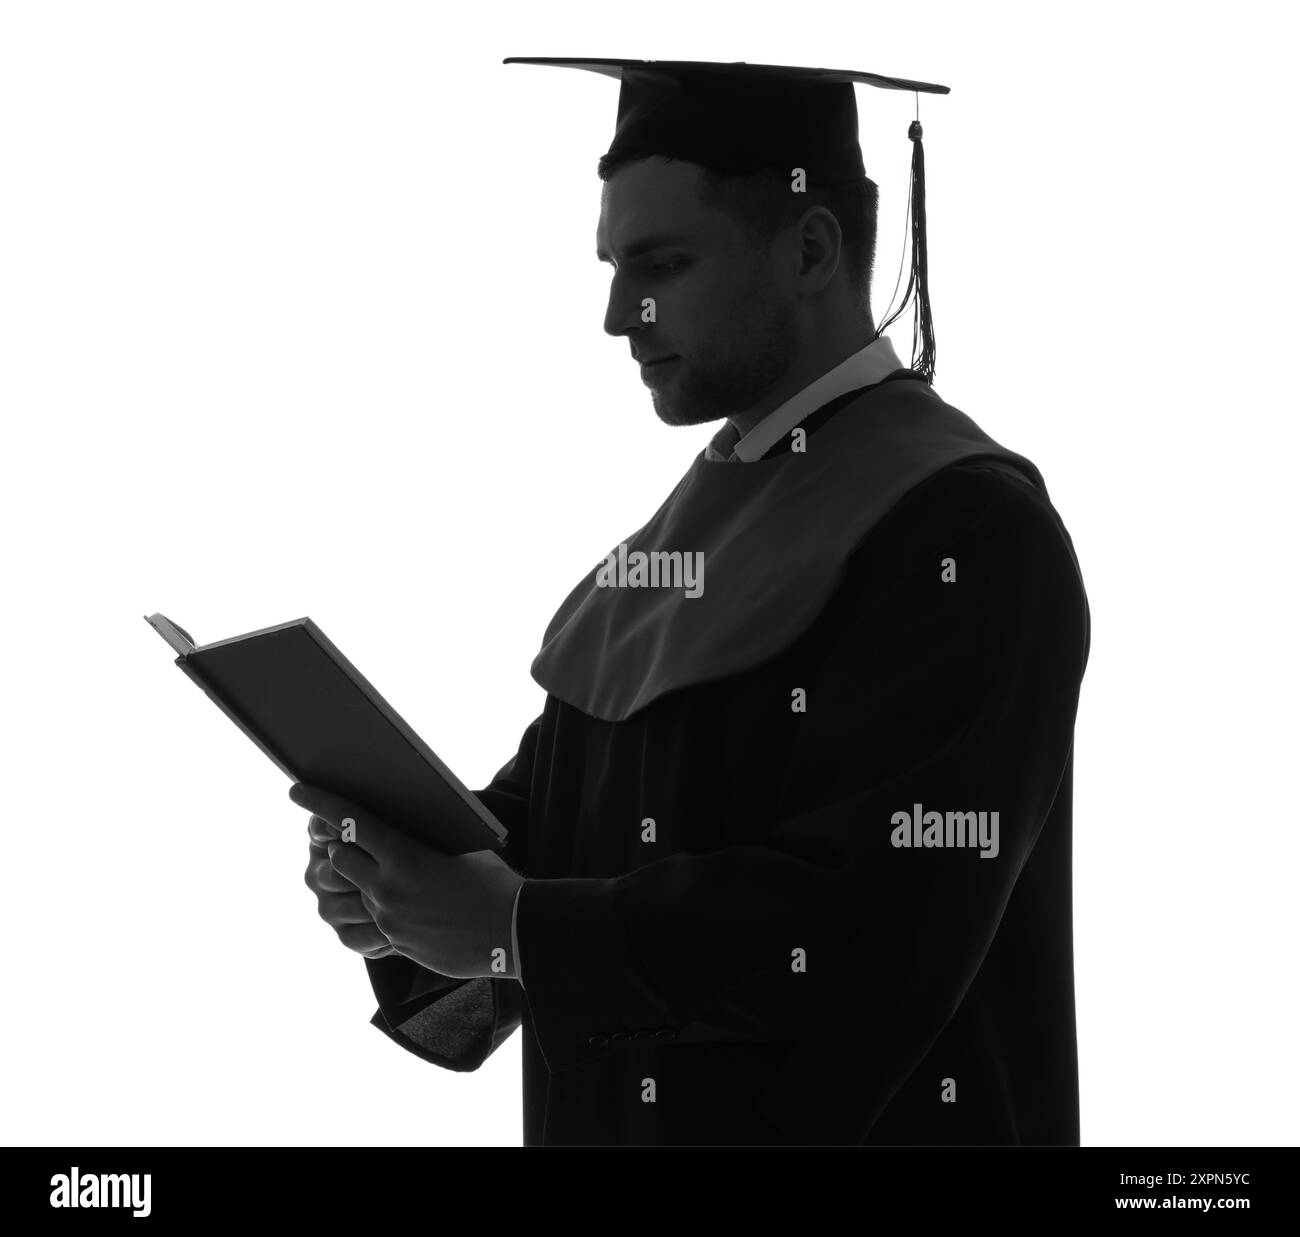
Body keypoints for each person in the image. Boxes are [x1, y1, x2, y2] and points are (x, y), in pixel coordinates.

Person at [294, 58, 1091, 1146]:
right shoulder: (657, 555)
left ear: (809, 249)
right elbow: (556, 842)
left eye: (660, 263)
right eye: (614, 265)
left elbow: (877, 921)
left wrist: (519, 926)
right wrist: (404, 884)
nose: (619, 313)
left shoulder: (964, 531)